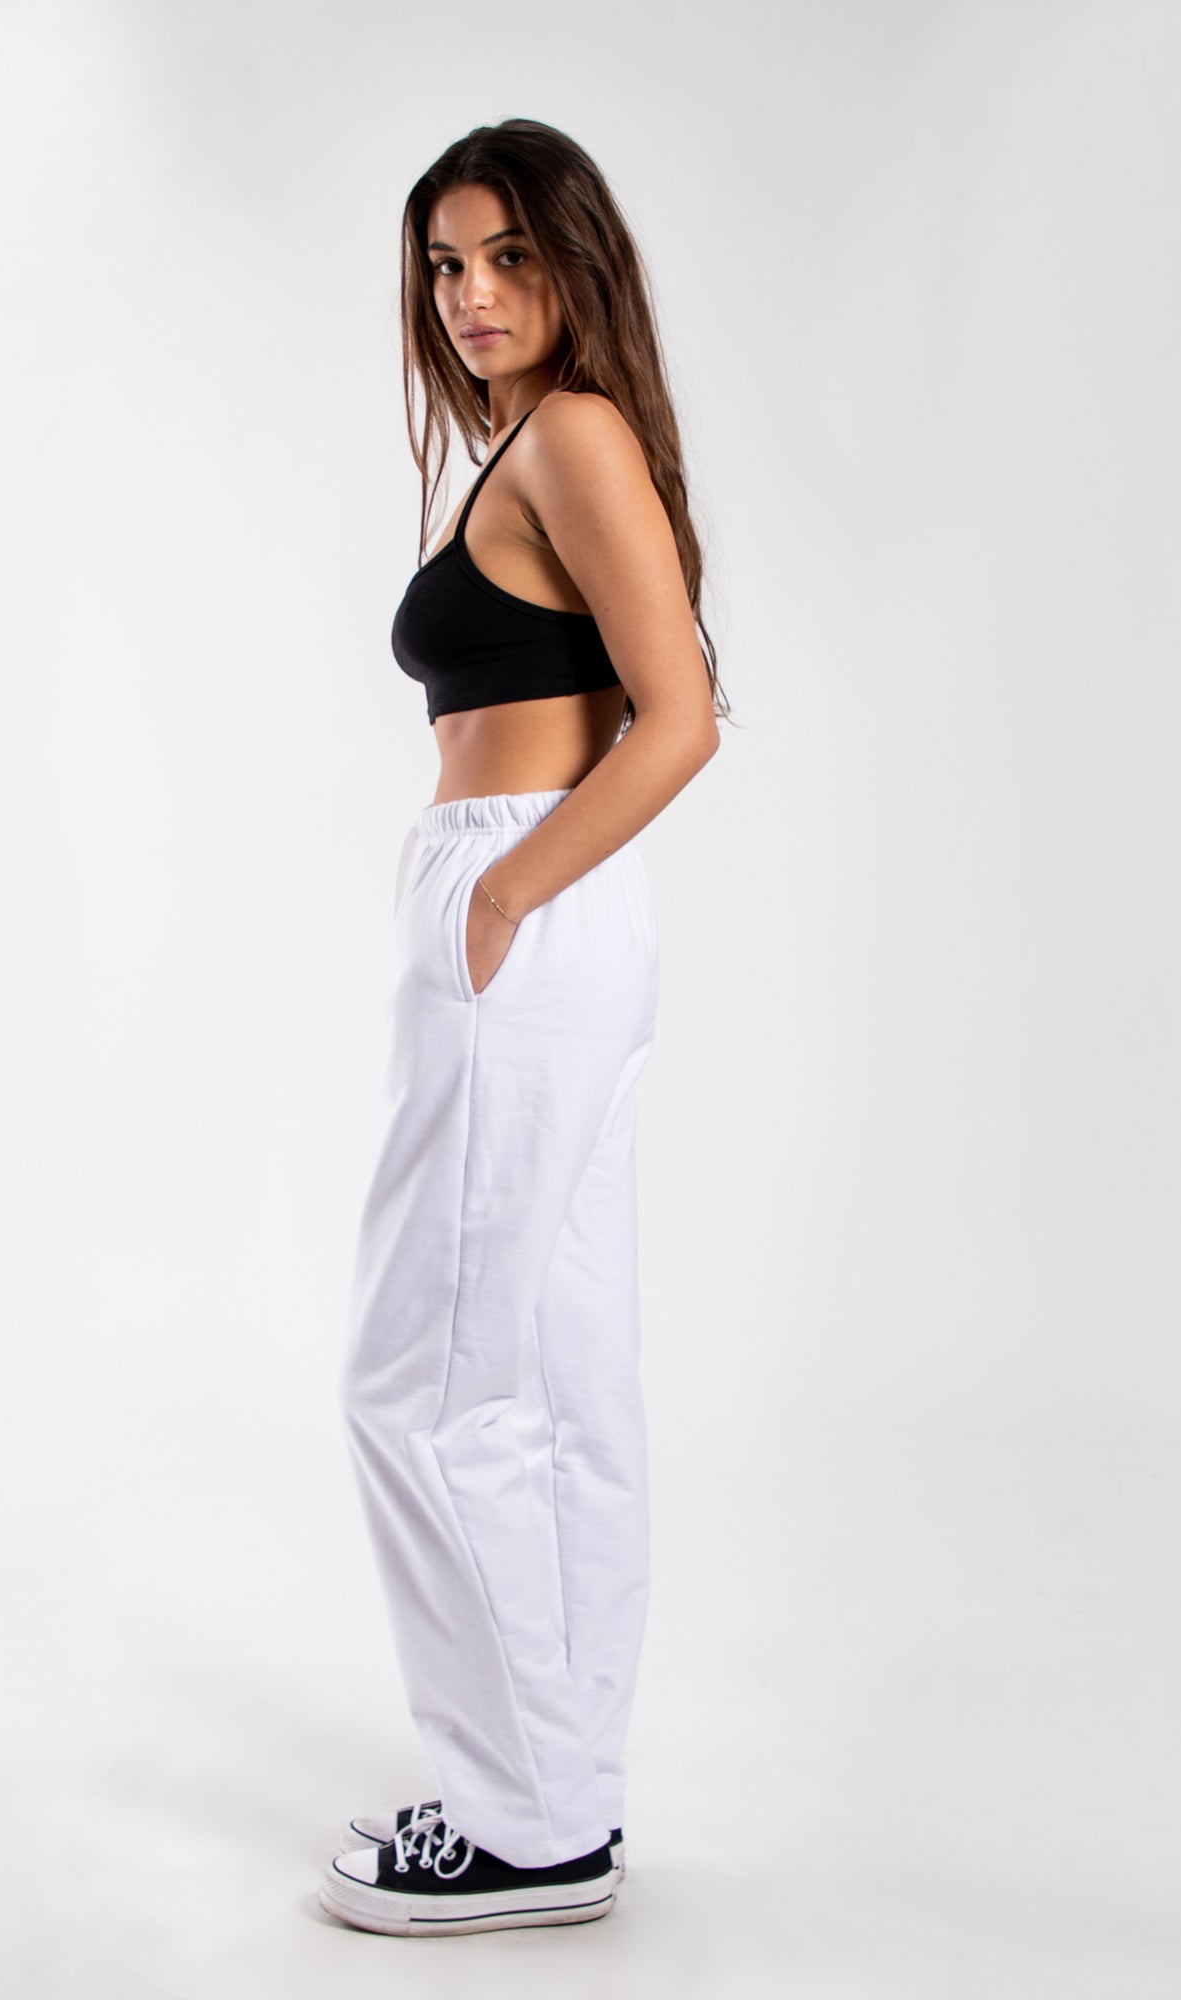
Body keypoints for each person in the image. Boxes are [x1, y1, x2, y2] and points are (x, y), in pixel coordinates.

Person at [319, 117, 730, 1940]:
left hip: (531, 902)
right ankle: (557, 1792)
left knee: (424, 1380)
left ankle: (515, 1826)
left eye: (506, 258)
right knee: (554, 1383)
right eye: (444, 264)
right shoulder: (542, 437)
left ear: (575, 263)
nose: (471, 294)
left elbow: (679, 714)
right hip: (556, 913)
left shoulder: (568, 434)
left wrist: (495, 896)